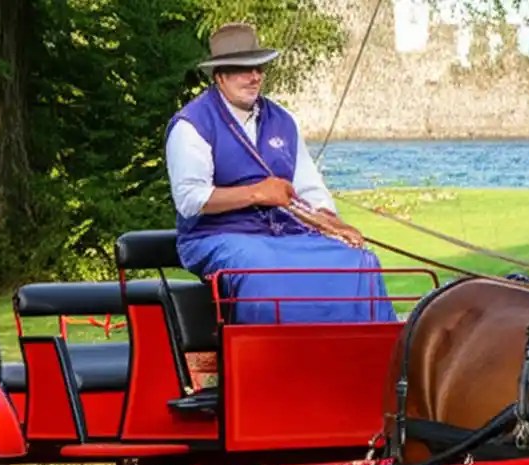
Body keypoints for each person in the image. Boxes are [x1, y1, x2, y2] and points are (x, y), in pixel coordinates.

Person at [164, 22, 398, 324]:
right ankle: (272, 361)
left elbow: (309, 185)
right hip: (218, 235)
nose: (255, 77)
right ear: (219, 76)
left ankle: (371, 360)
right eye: (243, 70)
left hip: (285, 234)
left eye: (259, 68)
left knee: (358, 262)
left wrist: (328, 218)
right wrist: (257, 193)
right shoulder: (191, 125)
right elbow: (190, 199)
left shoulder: (283, 120)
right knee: (265, 270)